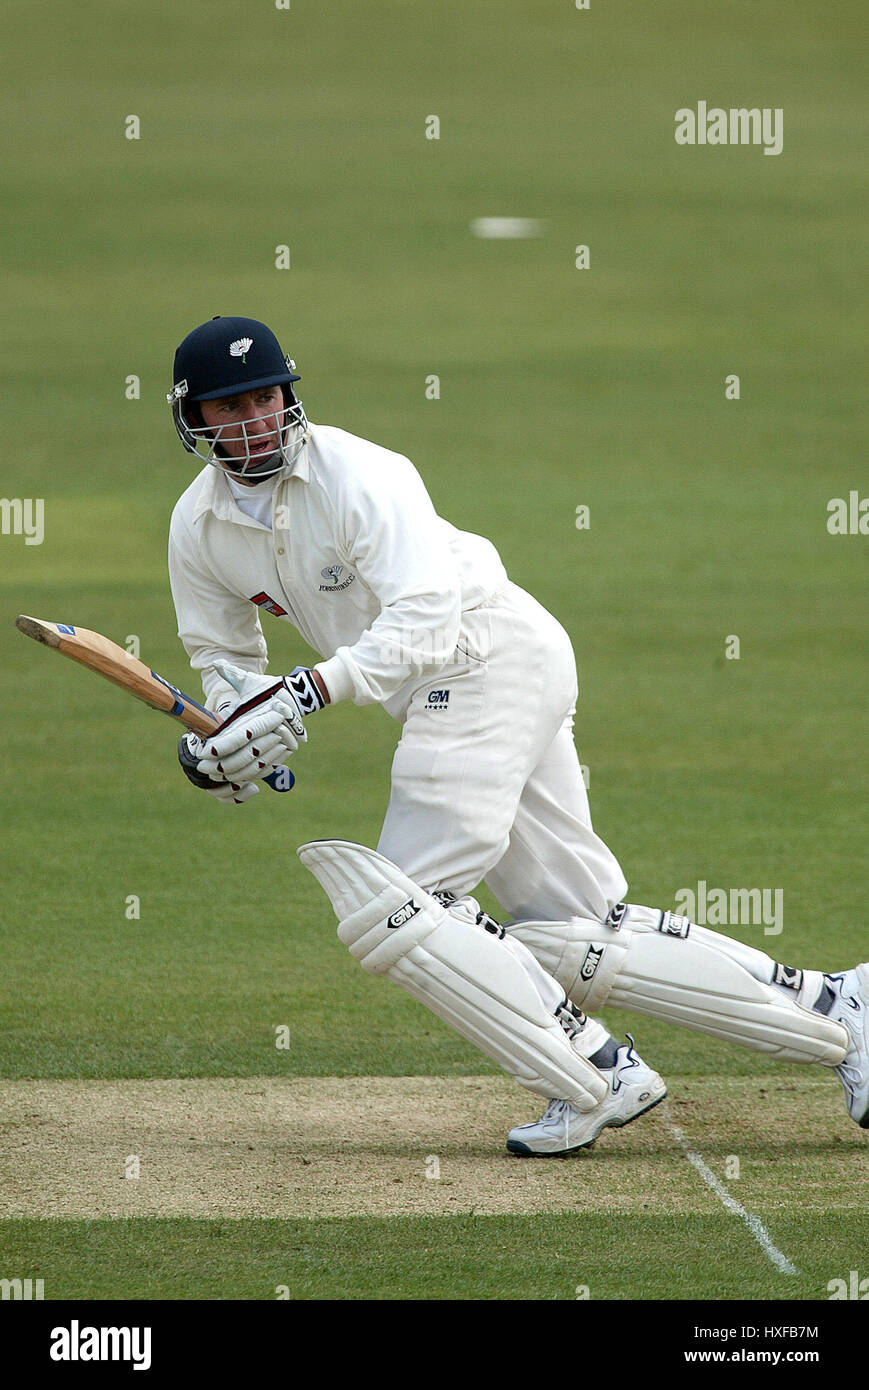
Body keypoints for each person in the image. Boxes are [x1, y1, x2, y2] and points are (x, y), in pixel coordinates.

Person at [166, 315, 868, 1155]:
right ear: (194, 419)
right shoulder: (197, 524)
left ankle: (594, 1070)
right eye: (229, 405)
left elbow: (425, 619)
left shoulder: (358, 474)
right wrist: (229, 740)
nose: (254, 418)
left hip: (481, 656)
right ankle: (843, 1011)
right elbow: (223, 657)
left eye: (266, 396)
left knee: (402, 907)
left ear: (290, 395)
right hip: (468, 677)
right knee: (576, 931)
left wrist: (309, 691)